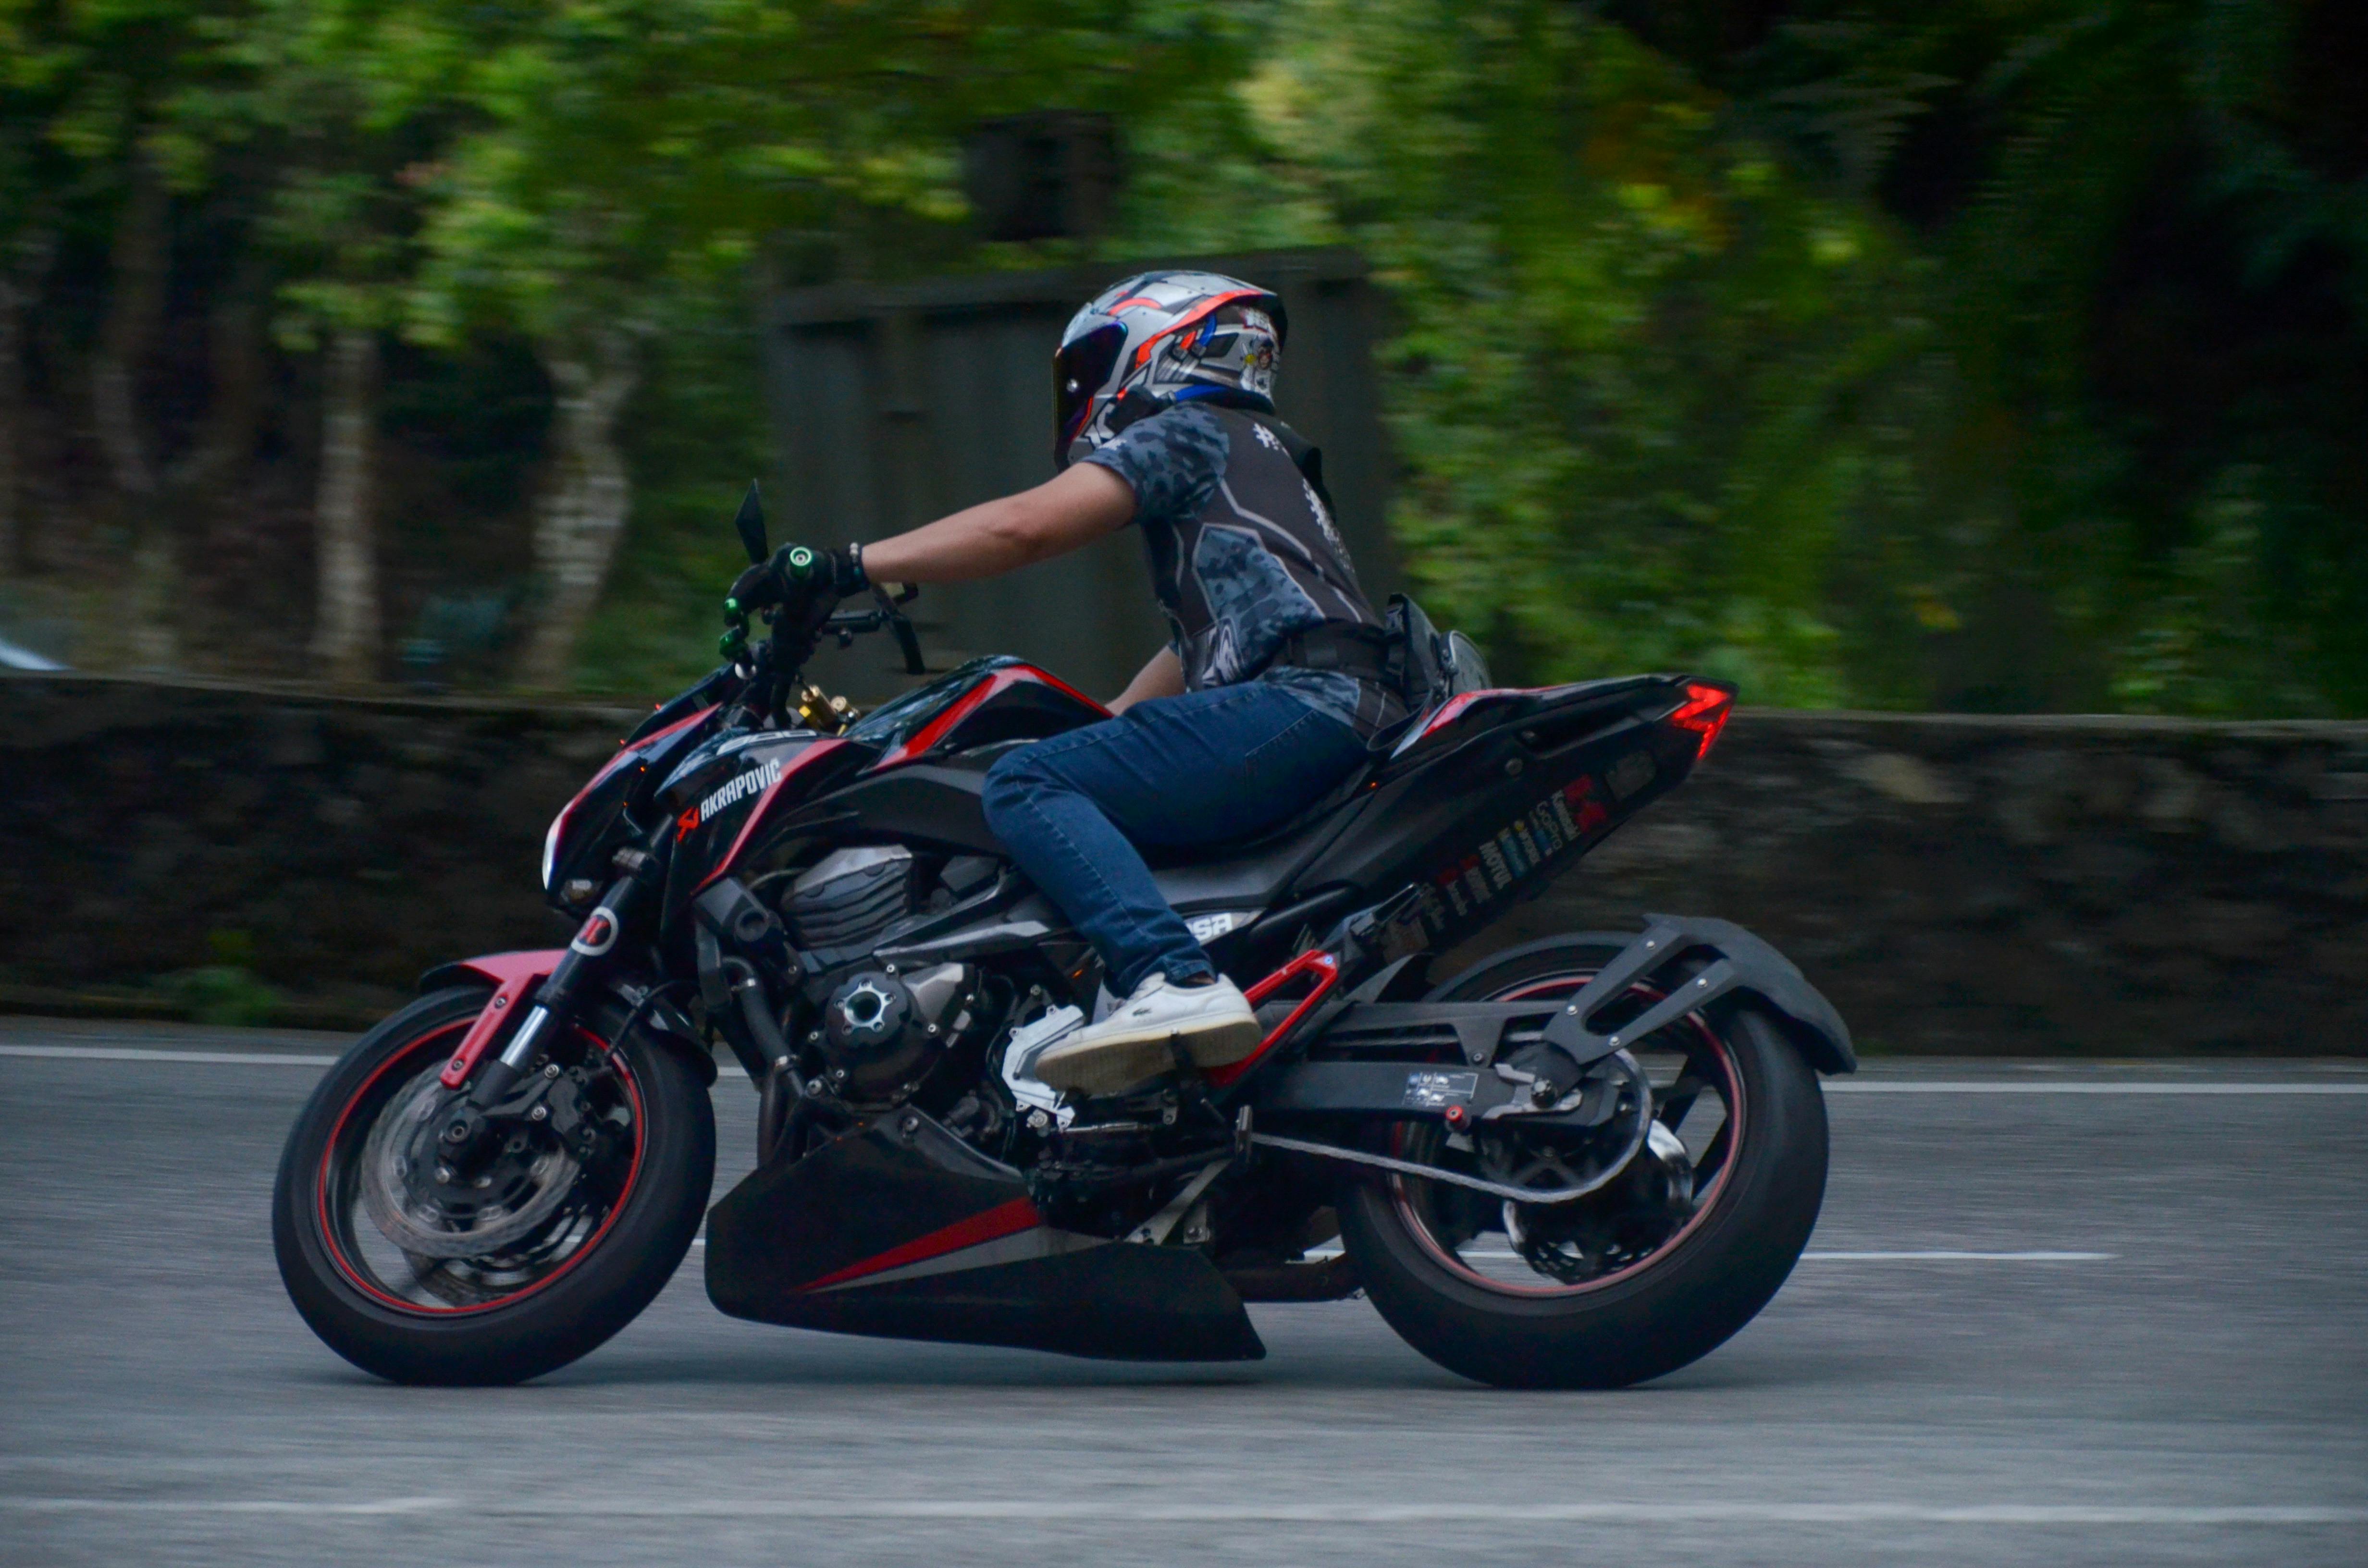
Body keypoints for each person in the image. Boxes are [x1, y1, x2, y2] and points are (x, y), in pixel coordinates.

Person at [748, 271, 1405, 1096]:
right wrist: (1107, 724)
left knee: (1025, 783)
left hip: (1302, 704)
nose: (1084, 389)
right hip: (1327, 702)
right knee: (1069, 779)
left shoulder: (1190, 432)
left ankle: (1172, 979)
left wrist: (848, 564)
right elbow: (1206, 645)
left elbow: (1020, 529)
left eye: (1093, 364)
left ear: (1160, 348)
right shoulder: (1266, 457)